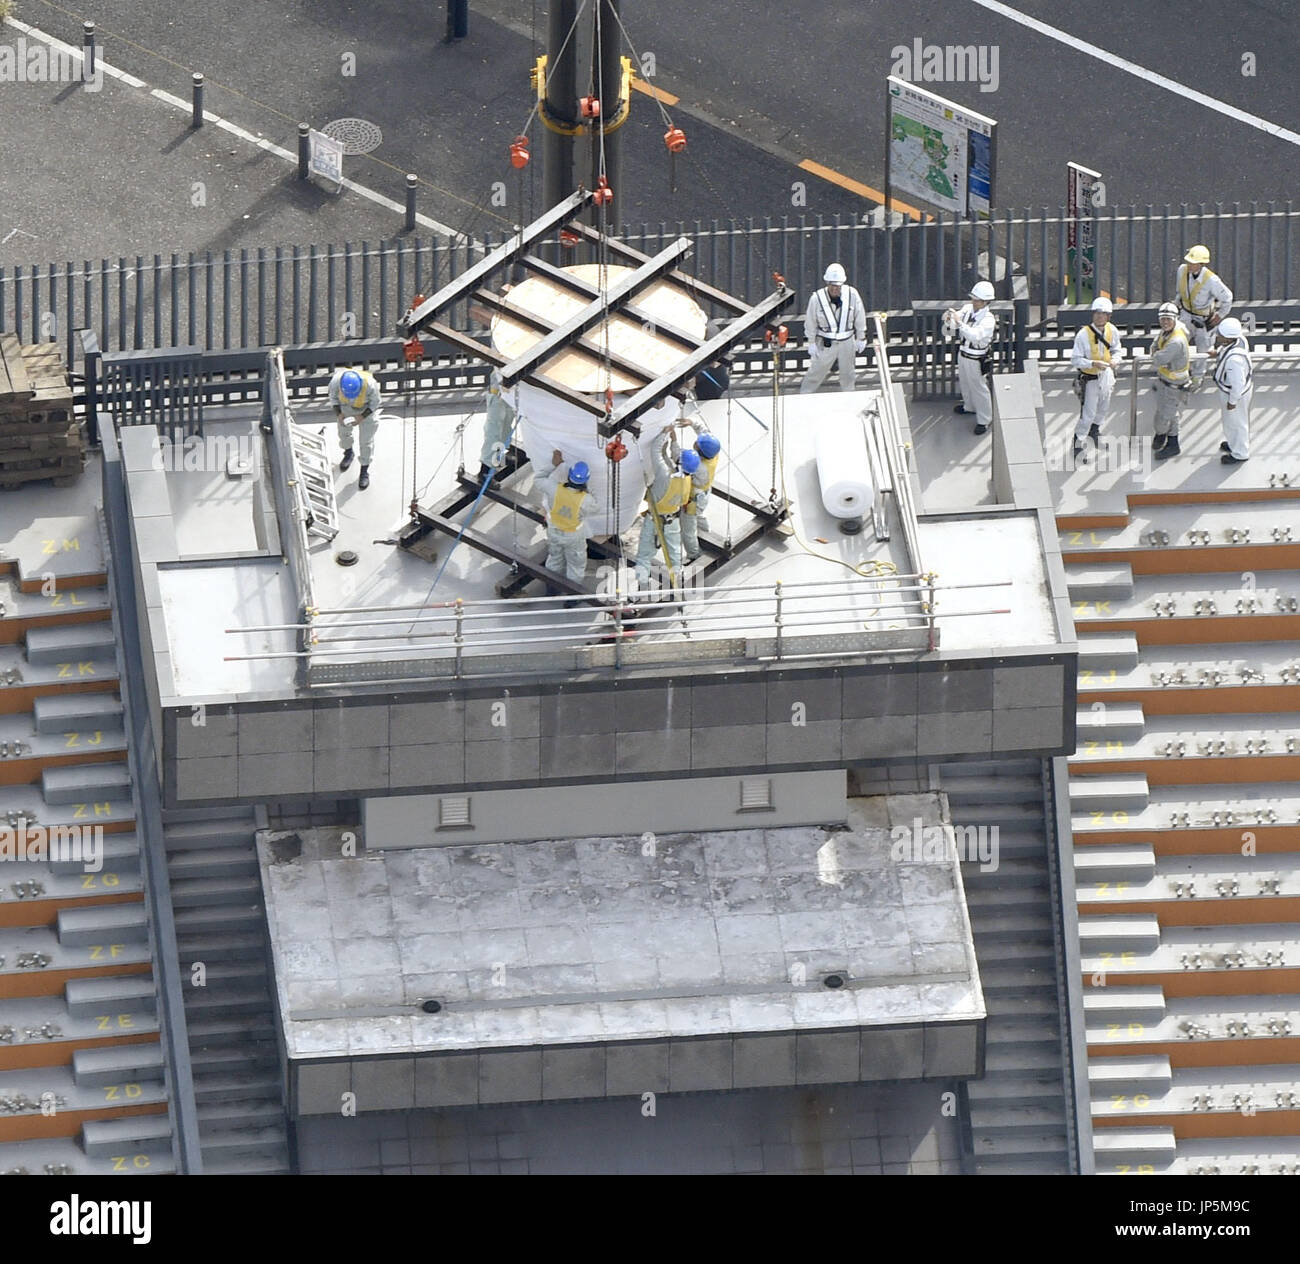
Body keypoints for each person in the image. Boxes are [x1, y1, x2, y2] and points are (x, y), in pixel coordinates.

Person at [634, 441, 697, 589]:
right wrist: (669, 446)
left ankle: (642, 587)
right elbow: (667, 460)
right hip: (672, 520)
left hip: (654, 519)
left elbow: (655, 450)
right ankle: (678, 580)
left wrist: (664, 433)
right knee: (674, 554)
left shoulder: (664, 475)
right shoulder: (686, 480)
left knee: (644, 556)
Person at [800, 263, 867, 394]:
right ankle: (804, 395)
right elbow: (811, 321)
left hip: (847, 341)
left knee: (848, 374)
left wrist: (861, 337)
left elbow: (860, 316)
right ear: (827, 283)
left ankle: (849, 398)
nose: (835, 289)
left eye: (838, 285)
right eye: (832, 285)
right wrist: (811, 342)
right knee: (815, 372)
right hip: (826, 342)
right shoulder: (817, 298)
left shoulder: (852, 294)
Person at [1070, 297, 1123, 457]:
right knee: (1088, 412)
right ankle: (1078, 441)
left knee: (1103, 407)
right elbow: (1075, 359)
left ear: (1108, 316)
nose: (1100, 316)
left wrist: (1115, 360)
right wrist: (1092, 363)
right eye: (1097, 313)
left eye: (1103, 314)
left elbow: (1117, 349)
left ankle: (1095, 430)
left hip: (1106, 375)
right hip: (1090, 378)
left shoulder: (1112, 330)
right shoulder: (1083, 335)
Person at [538, 452, 592, 601]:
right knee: (575, 566)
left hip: (554, 531)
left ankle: (551, 588)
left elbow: (539, 479)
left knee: (555, 558)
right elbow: (596, 508)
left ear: (569, 476)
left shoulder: (554, 488)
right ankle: (572, 598)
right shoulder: (586, 499)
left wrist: (554, 464)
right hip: (573, 536)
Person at [945, 280, 997, 435]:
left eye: (978, 300)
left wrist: (959, 323)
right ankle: (969, 407)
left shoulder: (988, 319)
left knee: (979, 387)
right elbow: (953, 326)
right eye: (973, 298)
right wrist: (950, 319)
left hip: (977, 357)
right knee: (965, 383)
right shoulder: (968, 309)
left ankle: (984, 419)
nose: (974, 302)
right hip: (963, 353)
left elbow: (975, 336)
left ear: (986, 302)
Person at [1149, 301, 1192, 459]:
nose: (1165, 322)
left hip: (1173, 384)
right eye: (1163, 319)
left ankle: (1167, 439)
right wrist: (1156, 353)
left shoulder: (1176, 341)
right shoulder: (1168, 332)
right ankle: (1169, 440)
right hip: (1166, 381)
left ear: (1175, 319)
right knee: (1171, 413)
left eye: (1168, 319)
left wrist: (1156, 354)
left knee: (1163, 417)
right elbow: (1154, 346)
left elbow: (1157, 358)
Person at [328, 366, 381, 489]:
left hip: (366, 408)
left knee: (366, 441)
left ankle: (364, 470)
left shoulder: (370, 385)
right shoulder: (336, 381)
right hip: (346, 407)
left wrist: (361, 417)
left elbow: (375, 403)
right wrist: (339, 415)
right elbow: (333, 398)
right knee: (343, 433)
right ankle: (348, 453)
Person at [1175, 245, 1233, 356]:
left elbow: (1227, 297)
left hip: (1203, 318)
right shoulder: (1182, 271)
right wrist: (1175, 306)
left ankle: (1199, 373)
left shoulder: (1211, 280)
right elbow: (1179, 292)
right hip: (1185, 315)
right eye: (1189, 262)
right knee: (1178, 344)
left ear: (1202, 264)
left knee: (1203, 352)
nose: (1190, 265)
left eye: (1193, 263)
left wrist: (1220, 315)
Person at [1211, 317, 1252, 464]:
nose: (1217, 336)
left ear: (1227, 339)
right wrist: (1218, 352)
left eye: (1220, 335)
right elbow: (1227, 348)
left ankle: (1240, 453)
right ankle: (1234, 443)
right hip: (1234, 391)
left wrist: (1233, 401)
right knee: (1230, 421)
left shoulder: (1234, 361)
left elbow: (1237, 384)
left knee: (1237, 422)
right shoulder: (1239, 339)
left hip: (1234, 394)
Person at [680, 427, 722, 563]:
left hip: (693, 501)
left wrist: (673, 442)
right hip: (704, 494)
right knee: (699, 515)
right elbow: (705, 432)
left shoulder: (699, 467)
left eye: (698, 443)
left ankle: (694, 555)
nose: (695, 442)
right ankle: (707, 533)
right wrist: (692, 423)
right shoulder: (713, 455)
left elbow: (678, 459)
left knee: (688, 530)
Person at [478, 370, 516, 481]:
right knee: (494, 433)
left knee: (505, 430)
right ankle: (485, 471)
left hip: (511, 396)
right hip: (497, 396)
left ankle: (497, 458)